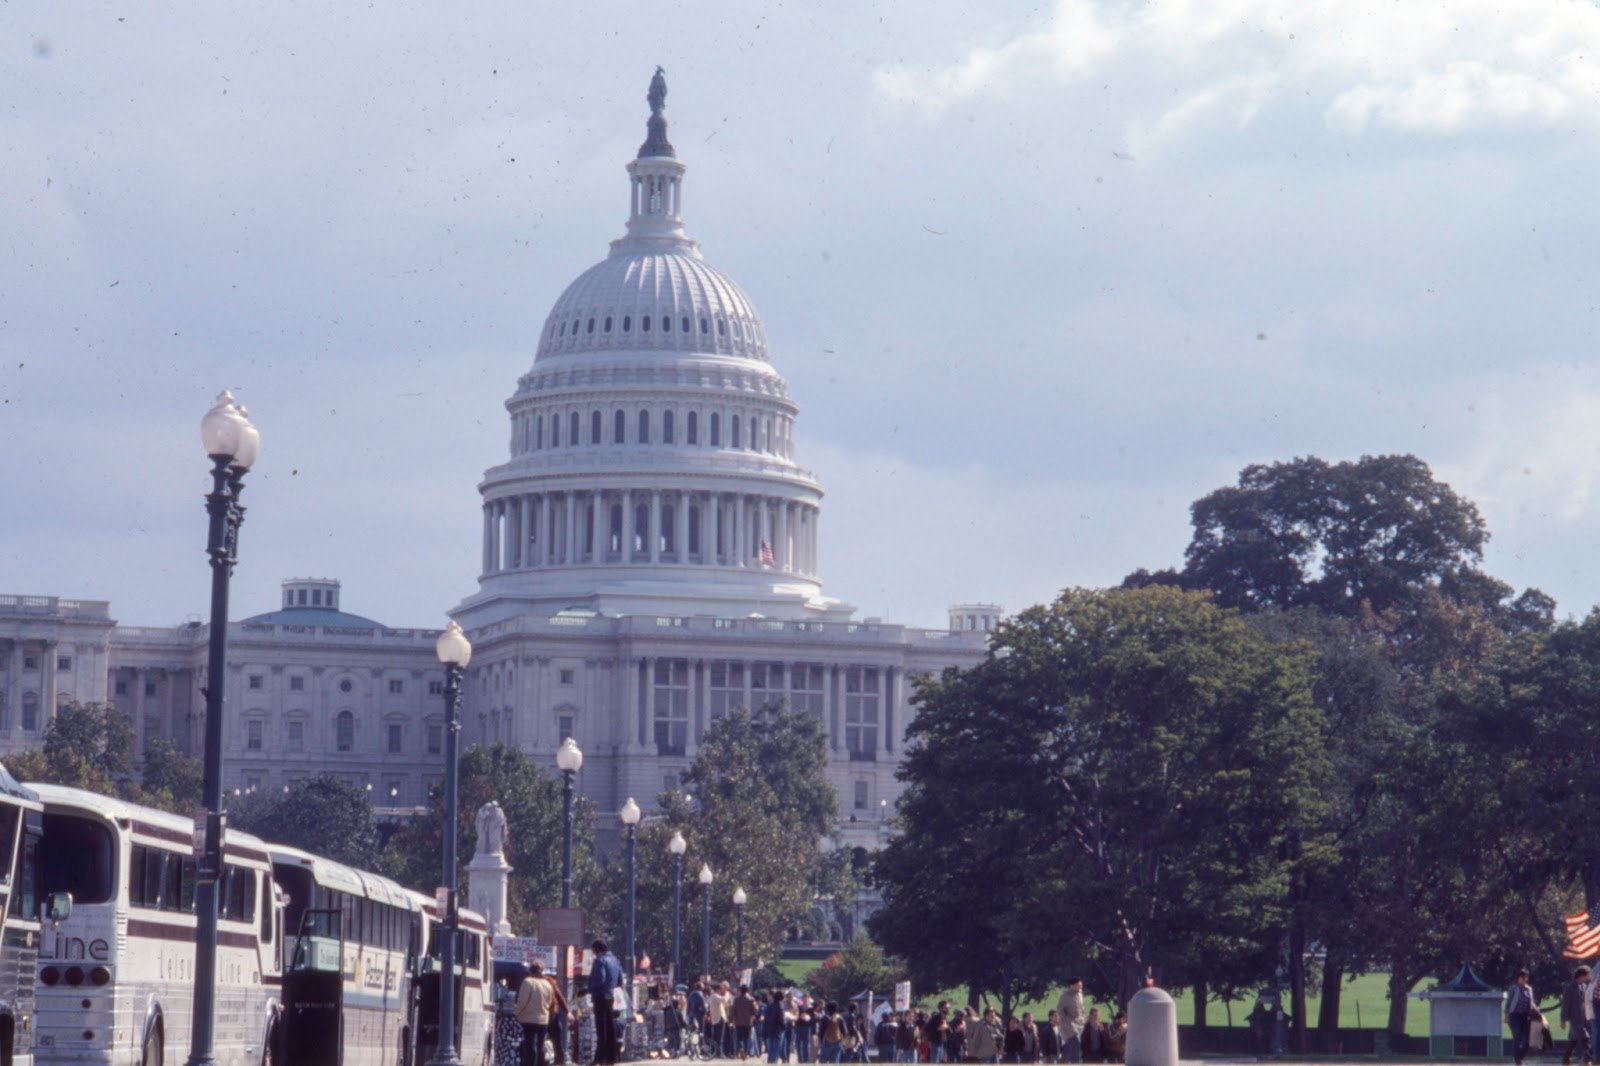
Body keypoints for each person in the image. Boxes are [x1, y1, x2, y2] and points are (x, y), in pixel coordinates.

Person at [588, 939, 624, 1066]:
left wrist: (590, 989)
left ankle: (600, 1058)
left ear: (597, 949)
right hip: (612, 997)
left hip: (600, 997)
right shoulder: (615, 960)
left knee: (601, 1029)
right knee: (610, 1028)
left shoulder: (600, 960)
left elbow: (600, 979)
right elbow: (620, 980)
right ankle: (611, 1058)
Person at [516, 962, 554, 1066]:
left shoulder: (528, 982)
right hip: (543, 1020)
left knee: (530, 1046)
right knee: (540, 1046)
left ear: (530, 971)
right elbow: (550, 1002)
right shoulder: (547, 984)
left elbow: (522, 1001)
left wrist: (517, 1013)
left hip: (529, 1019)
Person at [1563, 966, 1591, 1066]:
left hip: (1582, 1017)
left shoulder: (1583, 986)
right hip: (1574, 1018)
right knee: (1585, 1038)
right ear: (1581, 975)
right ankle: (1587, 1059)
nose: (1588, 977)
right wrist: (1563, 1019)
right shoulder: (1571, 987)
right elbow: (1566, 1004)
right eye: (1587, 975)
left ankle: (1566, 1059)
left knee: (1574, 1040)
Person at [1508, 969, 1537, 1066]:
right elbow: (1508, 1003)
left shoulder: (1529, 989)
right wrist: (1506, 1015)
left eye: (1526, 977)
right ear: (1518, 978)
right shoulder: (1513, 989)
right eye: (1522, 977)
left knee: (1528, 1040)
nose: (1524, 979)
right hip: (1515, 1015)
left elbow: (1531, 1002)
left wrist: (1535, 1009)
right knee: (1517, 1036)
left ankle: (1520, 1056)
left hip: (1525, 1016)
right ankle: (1517, 1061)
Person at [1057, 980, 1086, 1064]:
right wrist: (1066, 1020)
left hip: (1079, 1023)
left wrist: (1083, 1018)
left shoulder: (1080, 995)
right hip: (1069, 1024)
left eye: (1081, 985)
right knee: (1075, 1042)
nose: (1080, 987)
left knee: (1071, 1046)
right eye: (1078, 985)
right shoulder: (1065, 996)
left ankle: (1063, 1062)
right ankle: (1075, 1063)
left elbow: (1081, 1009)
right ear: (1072, 986)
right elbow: (1060, 1009)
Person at [733, 984, 760, 1060]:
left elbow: (733, 1010)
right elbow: (755, 1011)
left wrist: (731, 1019)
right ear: (747, 990)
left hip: (738, 1021)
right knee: (746, 1038)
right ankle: (745, 1052)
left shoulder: (736, 999)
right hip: (748, 1022)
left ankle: (741, 1048)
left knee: (740, 1037)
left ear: (740, 990)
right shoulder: (751, 1000)